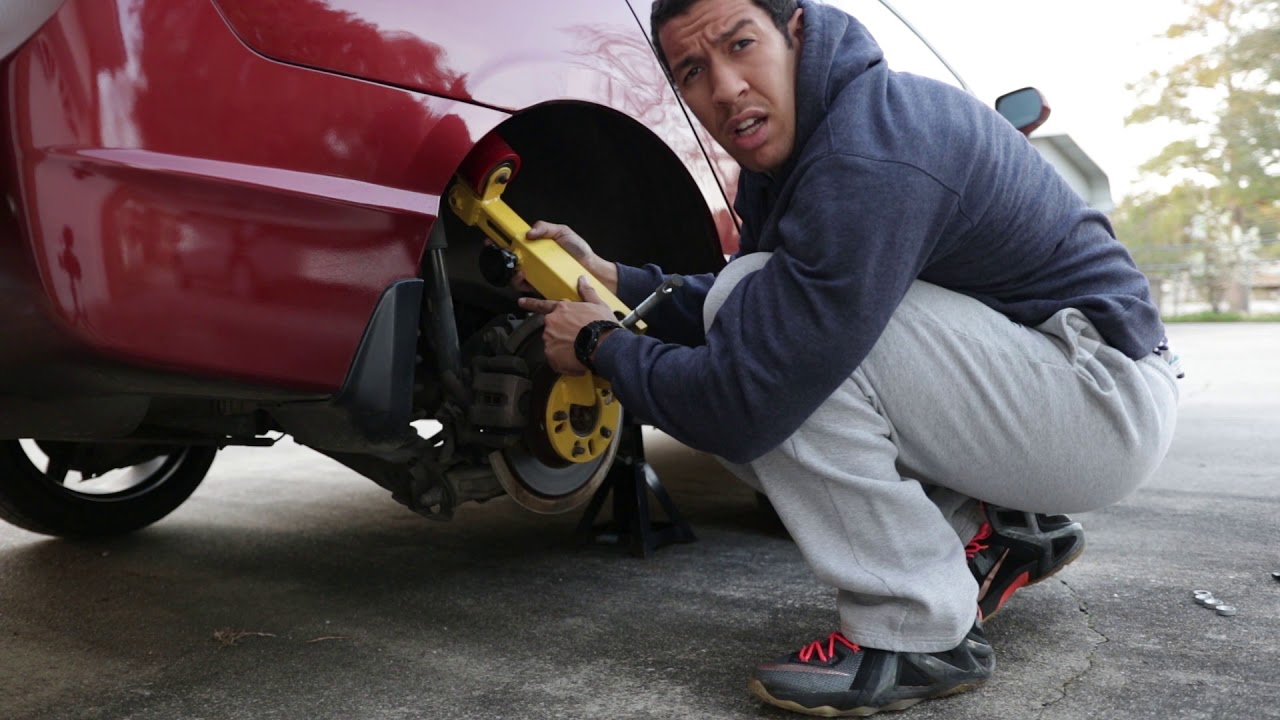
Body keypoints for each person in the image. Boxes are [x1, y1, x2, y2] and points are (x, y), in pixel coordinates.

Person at [515, 0, 1180, 715]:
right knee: (756, 311)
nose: (726, 88)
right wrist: (618, 281)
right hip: (1056, 384)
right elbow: (763, 302)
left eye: (740, 45)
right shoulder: (804, 142)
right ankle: (1004, 527)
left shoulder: (866, 155)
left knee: (781, 369)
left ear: (795, 32)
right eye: (693, 71)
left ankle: (917, 633)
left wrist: (602, 347)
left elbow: (745, 401)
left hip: (1099, 398)